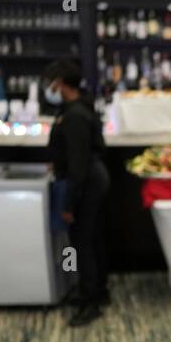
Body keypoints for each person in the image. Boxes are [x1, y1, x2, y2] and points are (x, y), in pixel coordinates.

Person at [43, 59, 109, 326]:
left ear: (59, 83)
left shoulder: (74, 116)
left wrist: (69, 204)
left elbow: (78, 165)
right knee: (93, 240)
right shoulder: (81, 107)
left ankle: (89, 301)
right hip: (91, 180)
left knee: (82, 244)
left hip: (84, 184)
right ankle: (97, 292)